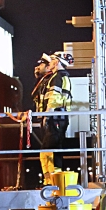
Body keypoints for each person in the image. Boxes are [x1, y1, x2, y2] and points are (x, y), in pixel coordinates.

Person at [32, 51, 73, 180]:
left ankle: (54, 181)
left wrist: (47, 115)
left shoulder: (58, 76)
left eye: (52, 60)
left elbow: (54, 98)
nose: (50, 62)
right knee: (48, 150)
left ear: (57, 62)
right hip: (56, 117)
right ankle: (50, 179)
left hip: (55, 117)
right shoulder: (58, 76)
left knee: (51, 150)